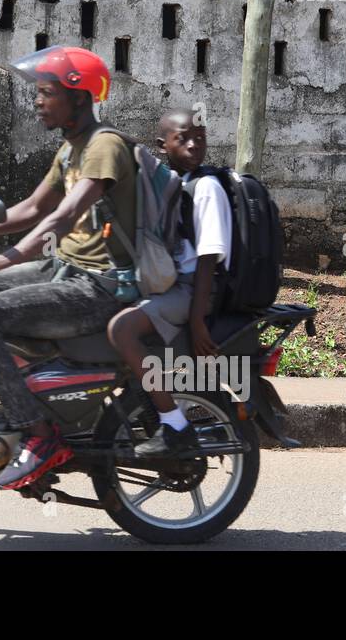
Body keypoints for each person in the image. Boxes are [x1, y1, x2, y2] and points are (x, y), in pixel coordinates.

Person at [0, 46, 136, 491]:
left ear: (79, 97)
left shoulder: (105, 146)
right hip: (63, 270)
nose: (37, 100)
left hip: (100, 288)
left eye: (47, 92)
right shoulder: (71, 150)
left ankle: (36, 431)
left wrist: (3, 259)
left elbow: (62, 217)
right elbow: (31, 208)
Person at [106, 109, 231, 455]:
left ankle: (173, 423)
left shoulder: (205, 187)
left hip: (197, 290)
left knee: (122, 330)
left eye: (200, 138)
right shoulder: (174, 183)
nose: (194, 145)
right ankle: (142, 402)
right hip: (180, 286)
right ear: (163, 145)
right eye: (183, 138)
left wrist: (196, 320)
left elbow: (208, 258)